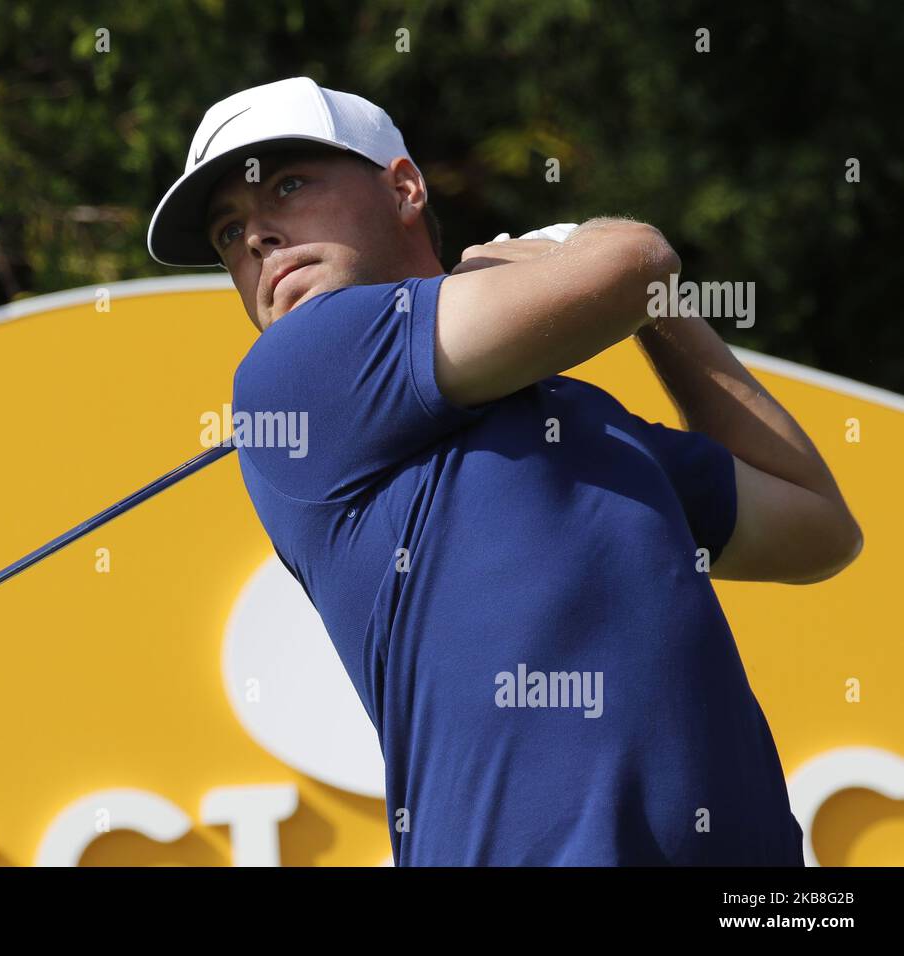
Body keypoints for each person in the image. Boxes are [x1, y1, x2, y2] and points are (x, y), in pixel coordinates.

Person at [148, 76, 863, 865]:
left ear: (404, 187)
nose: (255, 237)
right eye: (228, 231)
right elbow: (638, 256)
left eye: (287, 185)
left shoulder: (587, 422)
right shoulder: (296, 367)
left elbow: (818, 524)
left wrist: (660, 312)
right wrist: (586, 258)